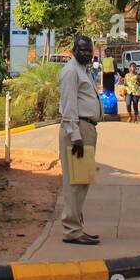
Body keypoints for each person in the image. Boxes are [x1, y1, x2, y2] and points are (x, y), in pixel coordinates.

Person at [58, 35, 101, 245]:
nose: (86, 53)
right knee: (75, 182)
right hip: (78, 131)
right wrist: (75, 136)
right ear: (74, 50)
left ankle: (77, 226)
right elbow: (68, 107)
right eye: (82, 49)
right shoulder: (70, 72)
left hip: (87, 129)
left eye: (89, 50)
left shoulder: (83, 70)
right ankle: (71, 230)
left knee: (82, 180)